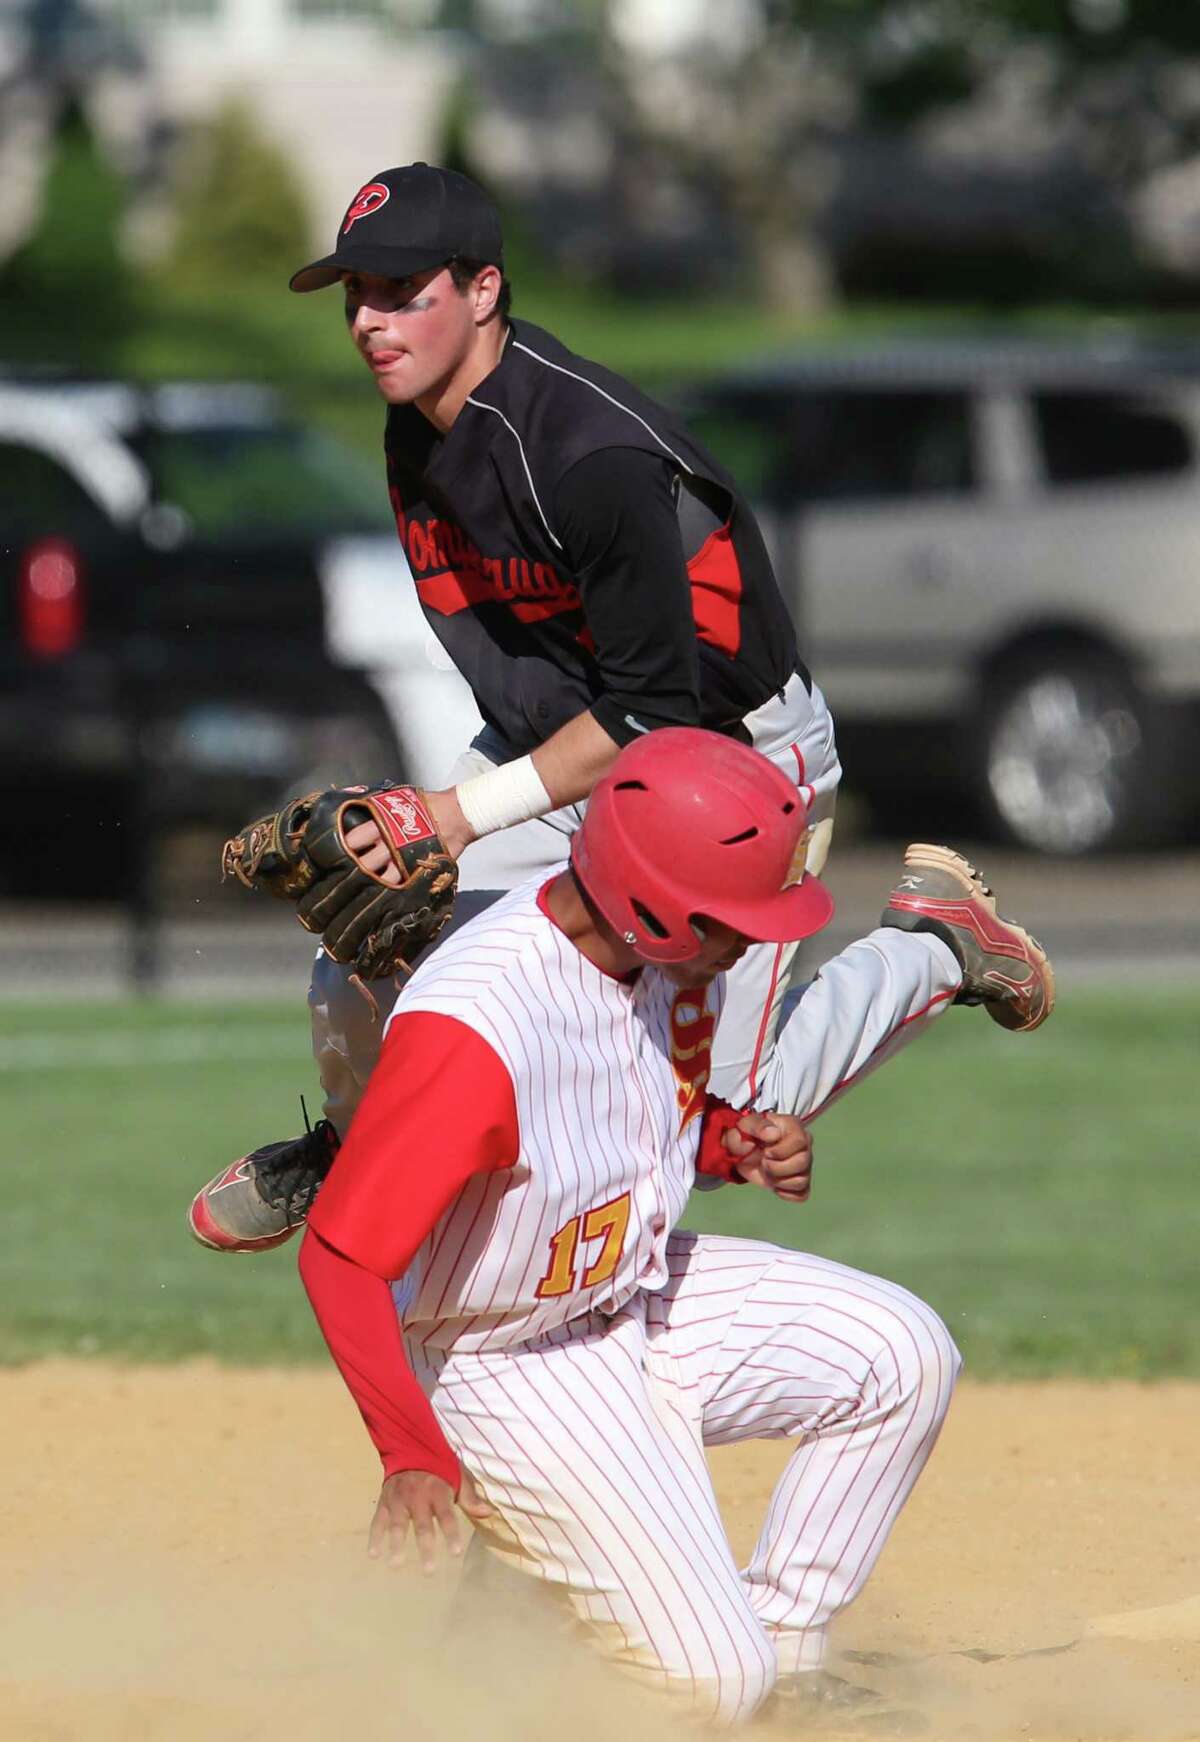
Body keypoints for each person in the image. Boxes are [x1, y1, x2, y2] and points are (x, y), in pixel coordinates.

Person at [294, 728, 1051, 1726]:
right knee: (712, 1680)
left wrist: (733, 1143)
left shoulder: (647, 957)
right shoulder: (479, 1026)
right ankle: (538, 1652)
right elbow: (340, 1256)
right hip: (500, 1361)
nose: (752, 943)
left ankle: (784, 1657)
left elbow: (625, 1117)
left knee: (901, 1354)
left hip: (630, 1294)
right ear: (652, 906)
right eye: (734, 924)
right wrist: (412, 1453)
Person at [189, 160, 844, 1253]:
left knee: (711, 1116)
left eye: (402, 291)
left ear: (483, 288)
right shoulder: (416, 431)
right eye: (357, 293)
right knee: (370, 951)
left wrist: (451, 816)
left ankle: (925, 956)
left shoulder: (590, 456)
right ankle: (354, 1150)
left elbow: (653, 711)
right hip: (573, 736)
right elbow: (528, 664)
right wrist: (421, 820)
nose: (369, 319)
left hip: (728, 760)